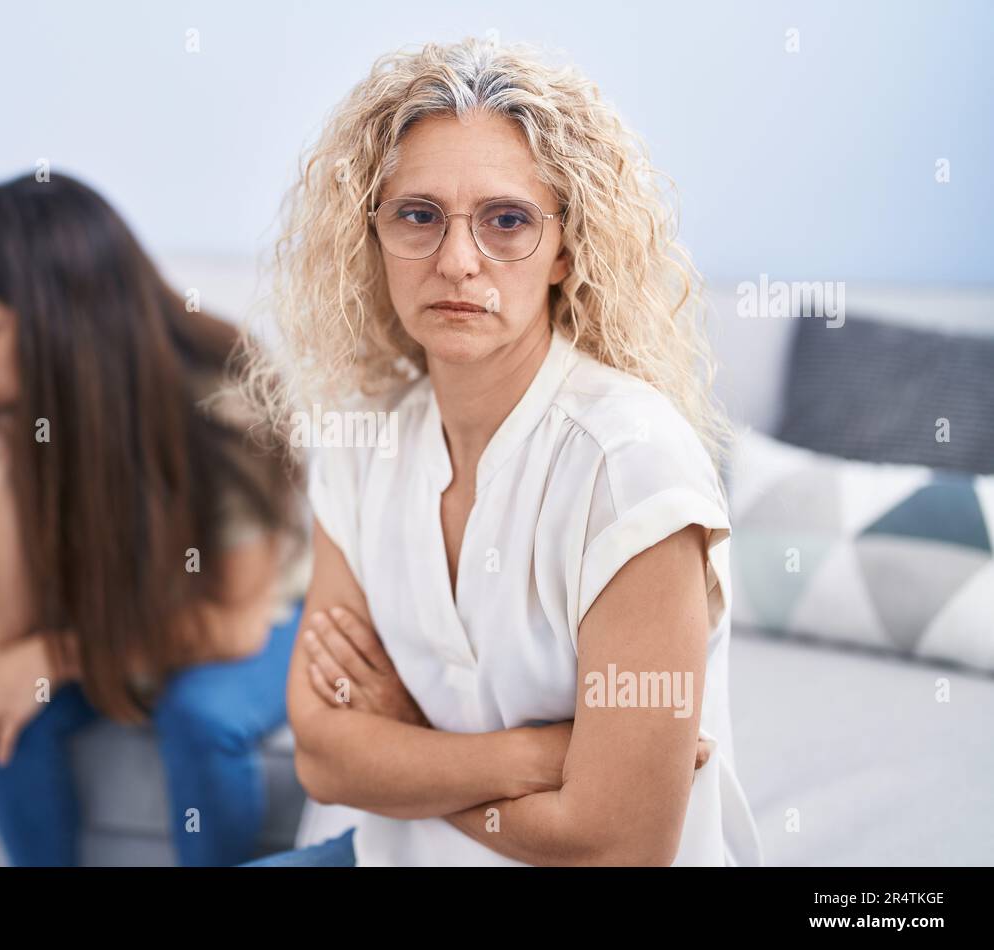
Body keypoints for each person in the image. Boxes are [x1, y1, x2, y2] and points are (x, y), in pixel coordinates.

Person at [239, 37, 764, 866]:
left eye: (507, 220)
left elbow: (619, 844)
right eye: (418, 215)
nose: (455, 261)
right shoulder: (360, 441)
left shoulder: (630, 467)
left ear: (564, 249)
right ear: (369, 234)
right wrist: (530, 758)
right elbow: (325, 755)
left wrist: (406, 744)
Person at [0, 172, 309, 866]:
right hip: (111, 612)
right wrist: (4, 464)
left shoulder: (226, 397)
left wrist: (58, 654)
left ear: (62, 329)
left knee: (200, 717)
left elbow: (231, 626)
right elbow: (4, 627)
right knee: (4, 714)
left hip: (269, 612)